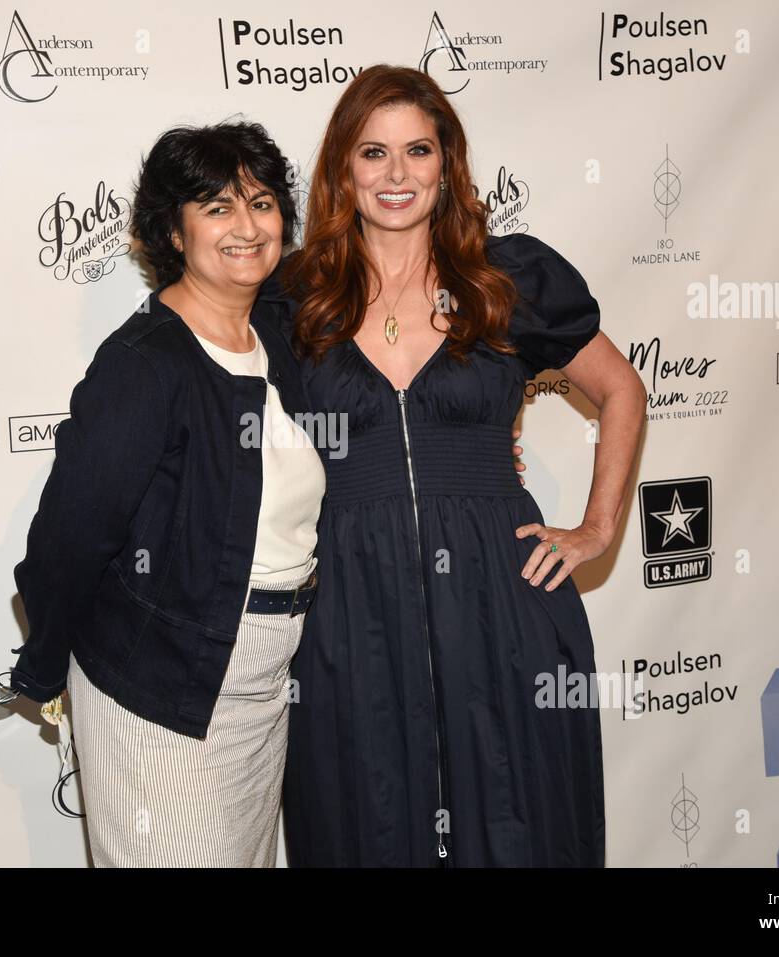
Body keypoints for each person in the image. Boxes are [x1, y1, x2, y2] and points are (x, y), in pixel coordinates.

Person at [261, 65, 647, 866]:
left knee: (517, 820)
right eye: (373, 153)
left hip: (498, 599)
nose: (396, 174)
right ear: (343, 169)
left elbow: (621, 390)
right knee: (362, 820)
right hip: (348, 606)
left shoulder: (505, 278)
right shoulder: (294, 299)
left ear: (448, 164)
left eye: (418, 151)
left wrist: (598, 528)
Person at [7, 121, 325, 867]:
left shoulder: (277, 332)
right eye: (216, 207)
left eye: (261, 201)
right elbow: (69, 537)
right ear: (174, 234)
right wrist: (44, 663)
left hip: (266, 679)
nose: (247, 225)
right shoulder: (143, 365)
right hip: (161, 683)